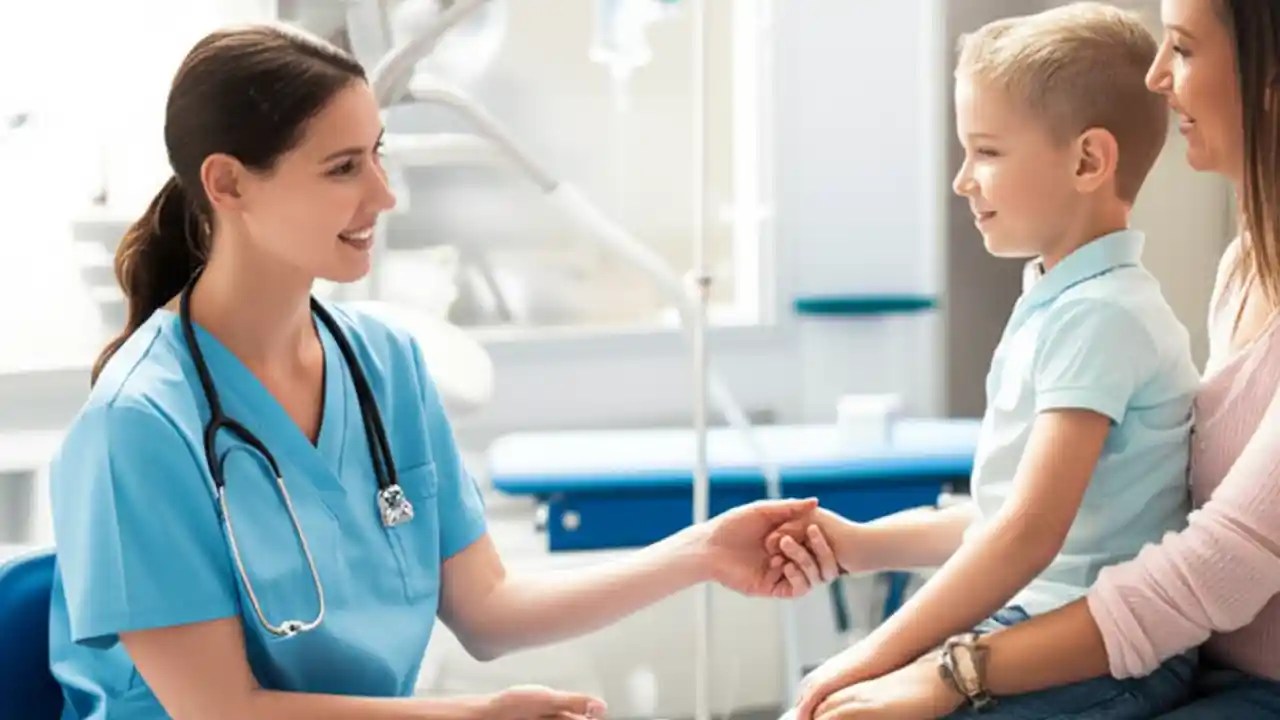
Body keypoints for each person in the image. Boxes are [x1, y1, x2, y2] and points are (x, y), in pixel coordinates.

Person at [46, 24, 826, 720]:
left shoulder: (384, 364)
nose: (384, 195)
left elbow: (486, 608)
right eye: (344, 167)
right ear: (228, 183)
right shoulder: (139, 426)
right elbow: (221, 711)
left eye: (378, 155)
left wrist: (698, 554)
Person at [771, 0, 1280, 718]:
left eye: (1185, 49)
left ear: (1086, 160)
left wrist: (895, 659)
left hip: (1146, 664)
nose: (1158, 79)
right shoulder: (1226, 273)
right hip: (1139, 647)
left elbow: (1040, 536)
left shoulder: (1101, 317)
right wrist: (862, 545)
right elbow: (1047, 519)